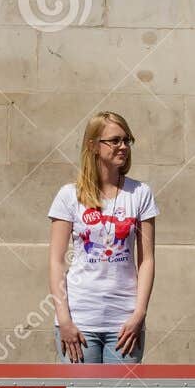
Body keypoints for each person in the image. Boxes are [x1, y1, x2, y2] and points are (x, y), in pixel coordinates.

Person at [48, 111, 157, 364]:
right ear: (93, 145)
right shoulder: (69, 195)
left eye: (127, 140)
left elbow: (147, 260)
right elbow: (56, 262)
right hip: (79, 320)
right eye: (115, 140)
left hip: (124, 324)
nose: (123, 147)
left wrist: (139, 315)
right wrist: (64, 319)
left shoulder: (140, 193)